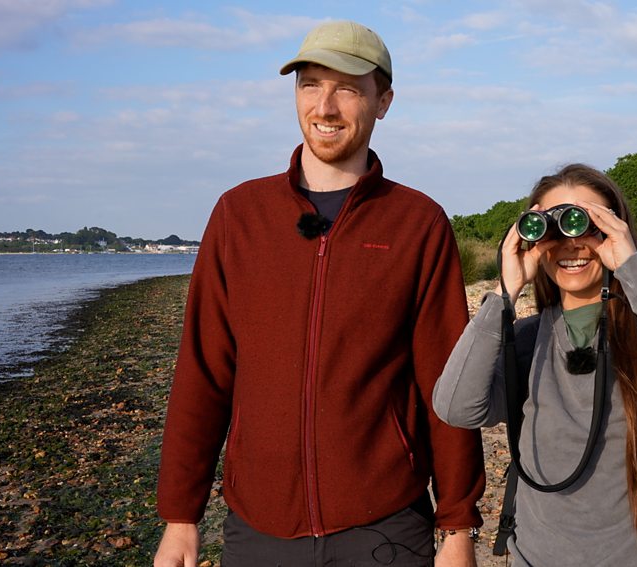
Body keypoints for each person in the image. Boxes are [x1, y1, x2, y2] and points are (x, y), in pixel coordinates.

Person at [153, 20, 485, 567]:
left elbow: (443, 381)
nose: (325, 107)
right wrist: (181, 518)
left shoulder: (417, 223)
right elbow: (203, 371)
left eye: (348, 89)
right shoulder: (240, 215)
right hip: (260, 526)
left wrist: (457, 525)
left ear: (384, 102)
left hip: (386, 524)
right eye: (310, 84)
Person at [433, 164, 637, 566]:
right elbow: (456, 407)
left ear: (616, 230)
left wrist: (634, 270)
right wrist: (504, 294)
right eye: (554, 228)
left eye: (586, 223)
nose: (571, 243)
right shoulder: (527, 340)